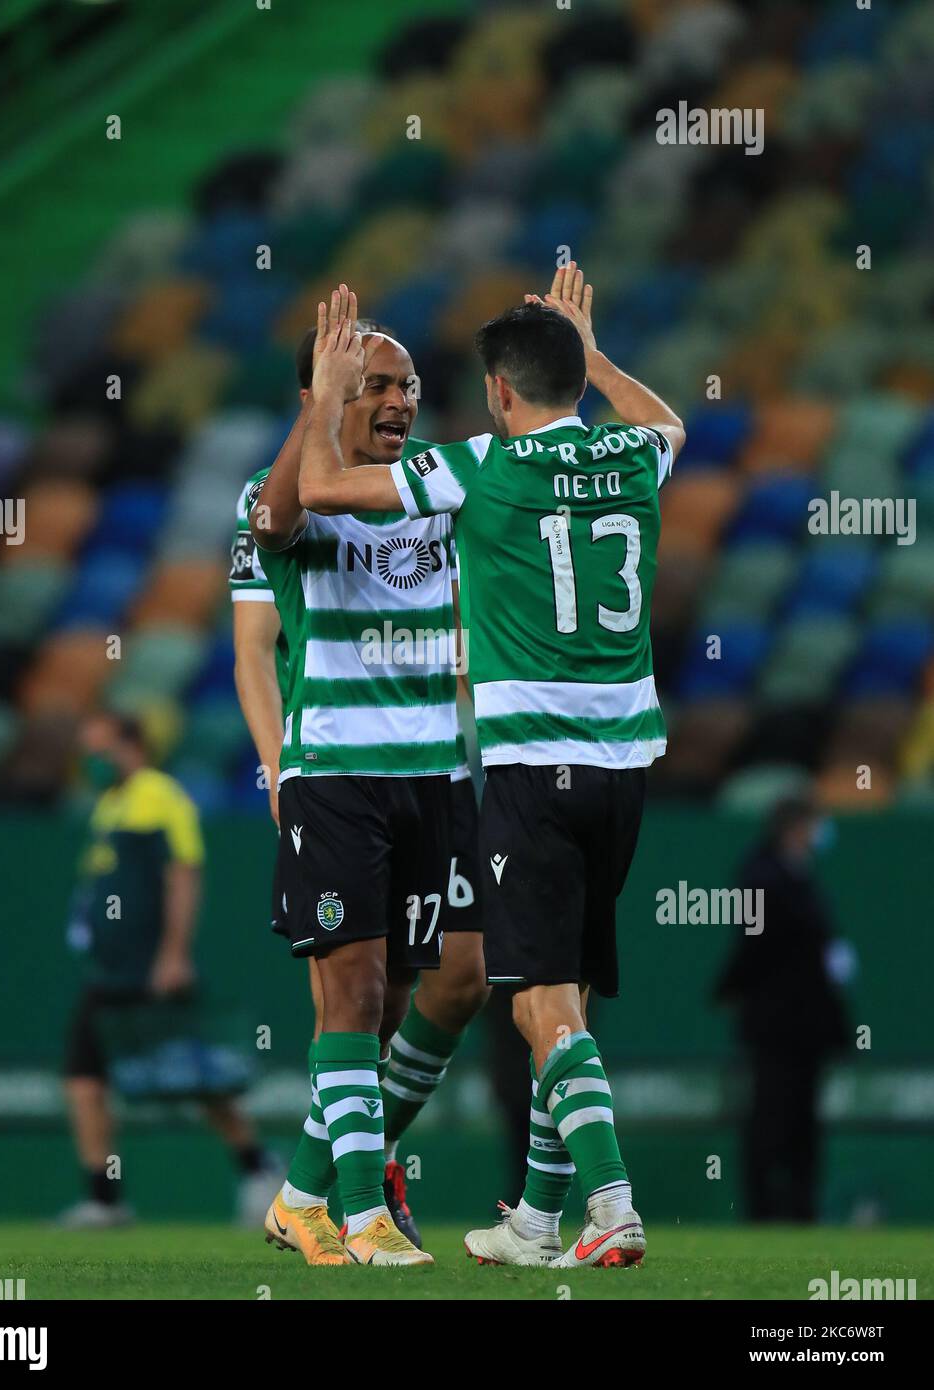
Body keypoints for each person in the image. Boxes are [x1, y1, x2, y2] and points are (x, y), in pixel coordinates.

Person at [298, 263, 685, 1269]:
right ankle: (537, 1219)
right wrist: (593, 357)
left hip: (529, 770)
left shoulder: (480, 466)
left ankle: (612, 1203)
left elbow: (320, 488)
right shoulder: (633, 457)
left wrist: (331, 392)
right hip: (626, 769)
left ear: (502, 393)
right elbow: (673, 424)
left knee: (538, 1002)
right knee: (567, 990)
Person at [247, 287, 488, 1267]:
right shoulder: (296, 494)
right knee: (349, 994)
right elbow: (271, 525)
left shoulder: (436, 489)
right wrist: (319, 402)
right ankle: (362, 1213)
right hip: (336, 770)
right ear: (333, 391)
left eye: (409, 385)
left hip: (432, 775)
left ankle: (302, 1194)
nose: (397, 400)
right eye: (375, 384)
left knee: (404, 998)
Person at [58, 710, 281, 1229]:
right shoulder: (110, 803)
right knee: (84, 1078)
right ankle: (105, 1197)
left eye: (99, 747)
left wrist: (174, 955)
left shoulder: (159, 794)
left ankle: (259, 1170)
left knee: (199, 1080)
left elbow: (183, 873)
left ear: (130, 744)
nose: (90, 759)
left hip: (150, 968)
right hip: (107, 972)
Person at [714, 794, 850, 1222]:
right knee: (772, 1116)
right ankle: (765, 1211)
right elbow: (756, 945)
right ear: (795, 826)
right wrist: (730, 987)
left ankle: (799, 1208)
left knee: (801, 1119)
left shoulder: (796, 873)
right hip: (778, 1022)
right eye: (814, 822)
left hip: (805, 1023)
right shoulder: (764, 875)